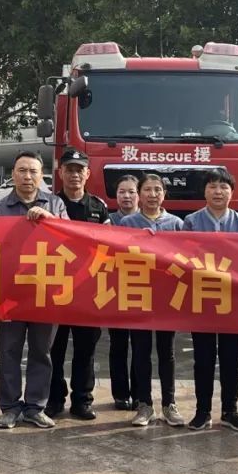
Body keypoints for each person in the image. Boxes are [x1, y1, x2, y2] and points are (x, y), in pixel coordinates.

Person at [0, 151, 69, 430]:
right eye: (22, 170)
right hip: (10, 293)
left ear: (41, 175)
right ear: (13, 174)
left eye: (33, 171)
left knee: (41, 351)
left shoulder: (56, 204)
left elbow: (72, 240)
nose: (27, 176)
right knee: (8, 350)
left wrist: (50, 219)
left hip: (45, 292)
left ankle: (36, 406)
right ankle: (10, 407)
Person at [183, 169, 238, 432]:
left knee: (231, 356)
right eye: (212, 186)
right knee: (202, 357)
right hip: (202, 297)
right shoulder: (190, 222)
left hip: (233, 300)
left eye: (224, 187)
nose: (218, 192)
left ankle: (230, 410)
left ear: (231, 192)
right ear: (205, 191)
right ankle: (203, 411)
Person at [47, 149, 108, 421]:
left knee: (86, 348)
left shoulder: (98, 207)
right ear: (60, 173)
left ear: (87, 173)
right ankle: (54, 398)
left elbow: (111, 246)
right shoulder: (48, 205)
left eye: (79, 169)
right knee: (54, 348)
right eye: (69, 169)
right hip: (56, 290)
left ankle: (82, 400)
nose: (74, 174)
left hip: (88, 291)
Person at [121, 174, 186, 428]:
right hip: (138, 294)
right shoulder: (128, 222)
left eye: (157, 189)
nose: (152, 194)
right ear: (140, 194)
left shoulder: (176, 224)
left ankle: (169, 404)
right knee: (140, 351)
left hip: (167, 297)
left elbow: (186, 258)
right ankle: (144, 404)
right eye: (147, 189)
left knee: (167, 352)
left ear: (164, 194)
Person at [107, 174, 140, 410]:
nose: (126, 196)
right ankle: (120, 394)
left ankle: (140, 393)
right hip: (115, 290)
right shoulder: (107, 221)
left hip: (142, 291)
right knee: (118, 345)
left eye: (131, 192)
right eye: (121, 192)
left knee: (140, 346)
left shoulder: (150, 221)